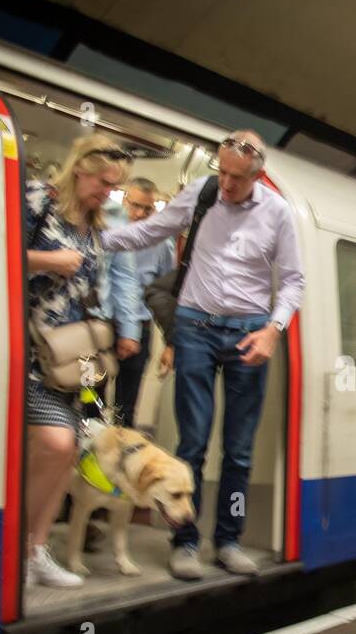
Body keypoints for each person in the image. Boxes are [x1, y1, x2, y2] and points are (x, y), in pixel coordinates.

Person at [102, 130, 304, 579]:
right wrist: (95, 239)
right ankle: (185, 543)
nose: (226, 185)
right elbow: (152, 230)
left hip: (250, 333)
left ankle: (229, 540)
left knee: (239, 450)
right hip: (195, 328)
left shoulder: (277, 214)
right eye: (222, 172)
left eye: (237, 178)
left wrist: (274, 330)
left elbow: (293, 281)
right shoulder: (202, 193)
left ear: (258, 174)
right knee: (191, 443)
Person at [23, 134, 131, 588]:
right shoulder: (36, 200)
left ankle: (36, 550)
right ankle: (16, 547)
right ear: (80, 168)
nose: (107, 192)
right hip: (34, 351)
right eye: (103, 182)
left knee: (75, 449)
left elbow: (104, 285)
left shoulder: (99, 227)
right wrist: (49, 260)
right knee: (56, 444)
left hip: (82, 357)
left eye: (114, 186)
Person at [105, 178, 177, 429]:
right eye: (134, 205)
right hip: (105, 324)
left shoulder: (162, 245)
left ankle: (122, 456)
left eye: (147, 208)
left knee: (126, 404)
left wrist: (171, 343)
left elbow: (169, 293)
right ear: (124, 200)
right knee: (92, 396)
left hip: (140, 328)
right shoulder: (109, 232)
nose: (139, 214)